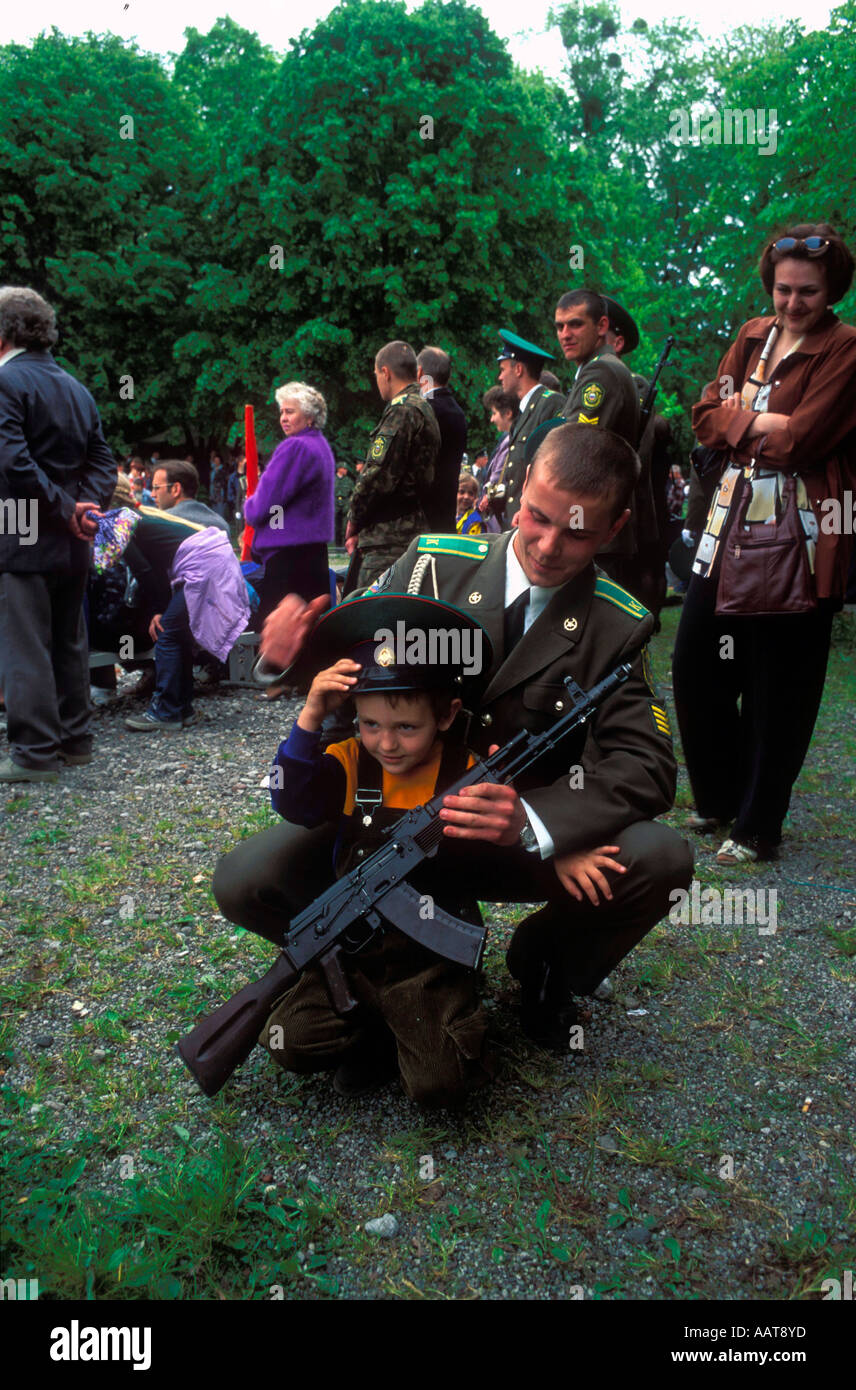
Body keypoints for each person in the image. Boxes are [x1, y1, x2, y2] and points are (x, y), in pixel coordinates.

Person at [240, 424, 693, 1051]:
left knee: (660, 859)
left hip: (506, 839)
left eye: (579, 531)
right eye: (537, 516)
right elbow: (348, 670)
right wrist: (290, 658)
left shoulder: (616, 624)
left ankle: (544, 967)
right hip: (391, 826)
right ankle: (361, 968)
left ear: (614, 529)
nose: (549, 545)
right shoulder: (431, 566)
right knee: (248, 876)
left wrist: (538, 824)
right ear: (522, 484)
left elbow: (646, 764)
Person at [250, 594, 494, 1104]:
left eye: (407, 727)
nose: (387, 743)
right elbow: (290, 799)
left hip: (429, 965)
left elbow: (499, 847)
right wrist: (311, 715)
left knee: (439, 1086)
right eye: (370, 724)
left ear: (447, 716)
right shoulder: (348, 761)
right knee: (288, 1040)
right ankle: (379, 1034)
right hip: (353, 961)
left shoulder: (466, 772)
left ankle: (414, 1030)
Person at [672, 222, 856, 865]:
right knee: (696, 663)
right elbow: (703, 414)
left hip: (804, 533)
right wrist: (756, 422)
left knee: (780, 679)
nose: (792, 303)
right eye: (783, 290)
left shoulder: (846, 350)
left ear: (831, 290)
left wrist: (740, 422)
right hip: (730, 521)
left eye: (807, 292)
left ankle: (758, 824)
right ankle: (721, 798)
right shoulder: (752, 335)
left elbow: (803, 440)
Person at [0, 286, 116, 783]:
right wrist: (82, 508)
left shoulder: (6, 382)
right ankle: (75, 739)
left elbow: (12, 461)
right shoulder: (75, 387)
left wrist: (65, 507)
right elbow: (103, 460)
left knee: (24, 640)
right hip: (72, 533)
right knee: (69, 638)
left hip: (20, 520)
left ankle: (34, 752)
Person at [122, 504, 249, 731]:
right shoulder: (139, 517)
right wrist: (161, 607)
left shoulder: (118, 526)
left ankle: (166, 712)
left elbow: (144, 572)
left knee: (167, 636)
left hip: (202, 566)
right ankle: (183, 709)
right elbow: (158, 568)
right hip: (212, 559)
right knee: (179, 635)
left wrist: (158, 609)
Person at [345, 340, 440, 590]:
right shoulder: (424, 408)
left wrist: (354, 518)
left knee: (373, 619)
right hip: (408, 532)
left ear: (385, 372)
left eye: (376, 374)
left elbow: (377, 476)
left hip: (388, 540)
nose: (376, 380)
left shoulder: (402, 411)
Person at [243, 382, 335, 629]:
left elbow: (266, 503)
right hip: (314, 553)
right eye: (282, 412)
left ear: (309, 416)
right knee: (309, 630)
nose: (283, 418)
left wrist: (249, 508)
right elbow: (280, 507)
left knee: (276, 633)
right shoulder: (321, 446)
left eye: (290, 412)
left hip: (288, 558)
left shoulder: (295, 447)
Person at [494, 330, 563, 526]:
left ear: (518, 370)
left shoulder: (551, 403)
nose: (500, 377)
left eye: (503, 369)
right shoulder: (525, 409)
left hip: (533, 518)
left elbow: (552, 468)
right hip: (517, 517)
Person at [417, 346, 468, 531]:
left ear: (420, 372)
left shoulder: (424, 411)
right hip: (446, 514)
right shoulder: (458, 413)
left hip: (422, 520)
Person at [150, 459, 231, 534]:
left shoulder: (161, 524)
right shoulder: (222, 524)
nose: (152, 494)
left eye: (156, 487)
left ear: (175, 489)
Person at [479, 386, 518, 532]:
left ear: (507, 413)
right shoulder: (506, 438)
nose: (492, 419)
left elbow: (499, 471)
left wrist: (488, 496)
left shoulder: (510, 440)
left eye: (494, 413)